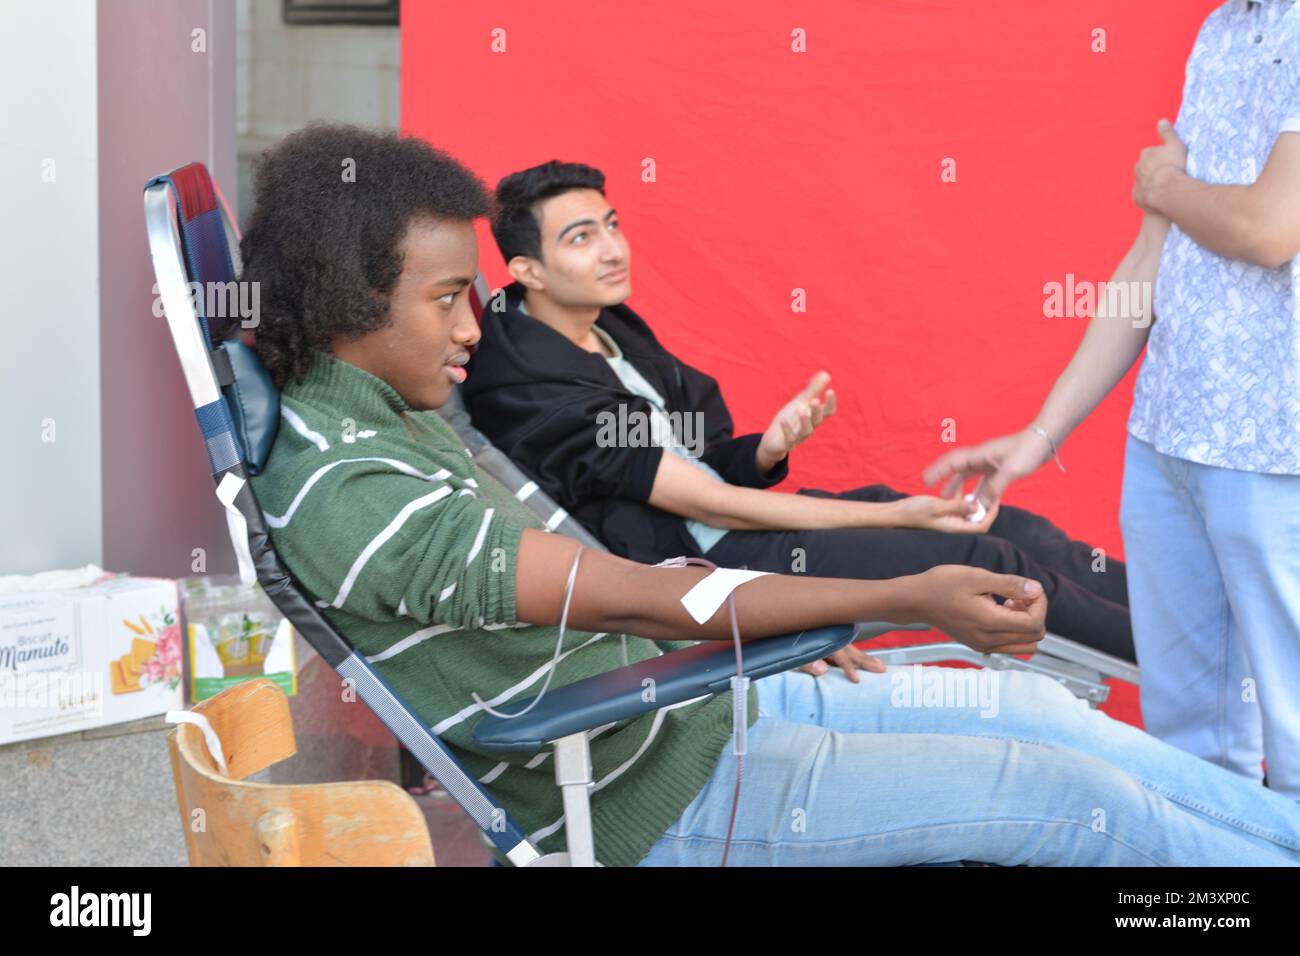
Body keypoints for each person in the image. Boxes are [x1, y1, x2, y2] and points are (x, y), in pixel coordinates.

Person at [241, 122, 1300, 867]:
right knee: (1059, 793)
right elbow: (625, 594)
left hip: (692, 702)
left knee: (1022, 701)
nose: (469, 327)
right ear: (345, 299)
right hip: (649, 787)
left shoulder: (394, 409)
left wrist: (767, 632)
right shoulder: (351, 485)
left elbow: (641, 575)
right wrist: (881, 596)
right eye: (442, 300)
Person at [460, 161, 1132, 660]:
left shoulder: (610, 326)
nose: (612, 248)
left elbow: (695, 461)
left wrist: (762, 452)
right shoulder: (530, 386)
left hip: (735, 530)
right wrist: (894, 515)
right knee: (987, 554)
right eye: (580, 238)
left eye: (611, 225)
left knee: (1014, 524)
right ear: (528, 271)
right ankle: (1182, 664)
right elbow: (712, 507)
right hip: (716, 568)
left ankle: (1194, 628)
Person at [924, 0, 1300, 798]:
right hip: (1167, 437)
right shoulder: (1222, 30)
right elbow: (1148, 262)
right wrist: (1041, 433)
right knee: (1185, 744)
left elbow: (1273, 227)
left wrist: (1165, 182)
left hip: (1277, 449)